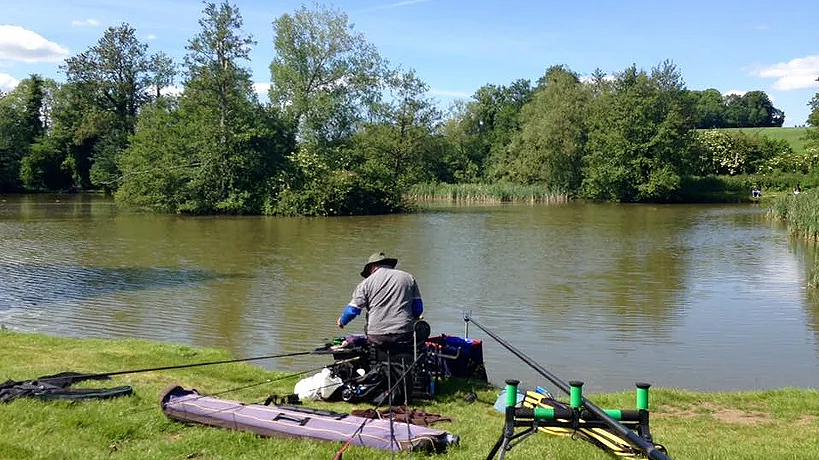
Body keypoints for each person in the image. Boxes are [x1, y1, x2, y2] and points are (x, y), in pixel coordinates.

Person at [337, 252, 423, 352]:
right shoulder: (408, 278)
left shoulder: (365, 283)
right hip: (403, 335)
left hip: (377, 336)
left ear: (373, 266)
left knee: (368, 330)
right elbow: (418, 308)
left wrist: (342, 321)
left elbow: (352, 310)